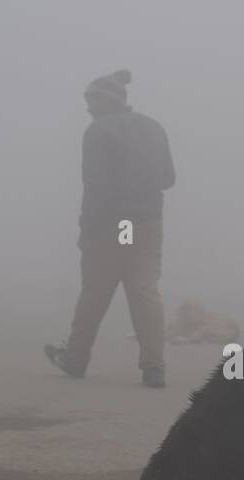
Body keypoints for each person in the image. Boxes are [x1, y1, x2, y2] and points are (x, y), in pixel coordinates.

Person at [45, 70, 174, 387]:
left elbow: (95, 187)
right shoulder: (154, 127)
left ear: (109, 101)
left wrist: (85, 231)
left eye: (92, 100)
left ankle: (75, 359)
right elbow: (169, 179)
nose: (88, 108)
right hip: (147, 222)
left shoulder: (97, 132)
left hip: (109, 224)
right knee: (145, 291)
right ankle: (154, 367)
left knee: (95, 292)